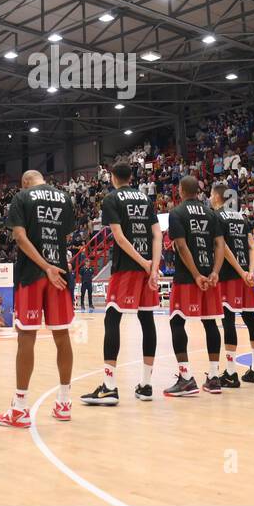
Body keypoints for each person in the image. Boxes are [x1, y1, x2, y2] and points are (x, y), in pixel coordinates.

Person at [0, 171, 75, 428]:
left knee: (26, 337)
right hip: (60, 274)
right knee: (62, 337)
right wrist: (53, 265)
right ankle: (64, 403)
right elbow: (65, 235)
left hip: (32, 275)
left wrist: (43, 266)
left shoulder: (22, 197)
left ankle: (20, 408)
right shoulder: (65, 198)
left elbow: (20, 237)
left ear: (25, 183)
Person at [82, 161, 162, 406]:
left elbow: (119, 236)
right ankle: (147, 385)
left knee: (112, 318)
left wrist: (141, 263)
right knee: (147, 320)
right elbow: (157, 234)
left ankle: (109, 386)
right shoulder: (145, 199)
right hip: (148, 267)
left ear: (113, 178)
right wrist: (153, 267)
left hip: (127, 269)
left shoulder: (112, 199)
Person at [164, 175, 224, 396]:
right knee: (210, 323)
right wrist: (215, 271)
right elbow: (219, 245)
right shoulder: (211, 213)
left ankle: (186, 377)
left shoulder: (177, 213)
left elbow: (181, 246)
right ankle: (215, 376)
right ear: (198, 192)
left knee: (177, 322)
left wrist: (196, 274)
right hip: (210, 274)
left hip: (188, 277)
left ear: (181, 191)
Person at [210, 181, 254, 385]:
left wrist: (241, 272)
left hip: (229, 276)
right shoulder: (241, 217)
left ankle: (231, 373)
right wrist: (250, 271)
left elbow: (223, 248)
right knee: (250, 319)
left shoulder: (216, 216)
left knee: (228, 321)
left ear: (217, 197)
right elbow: (252, 246)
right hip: (245, 276)